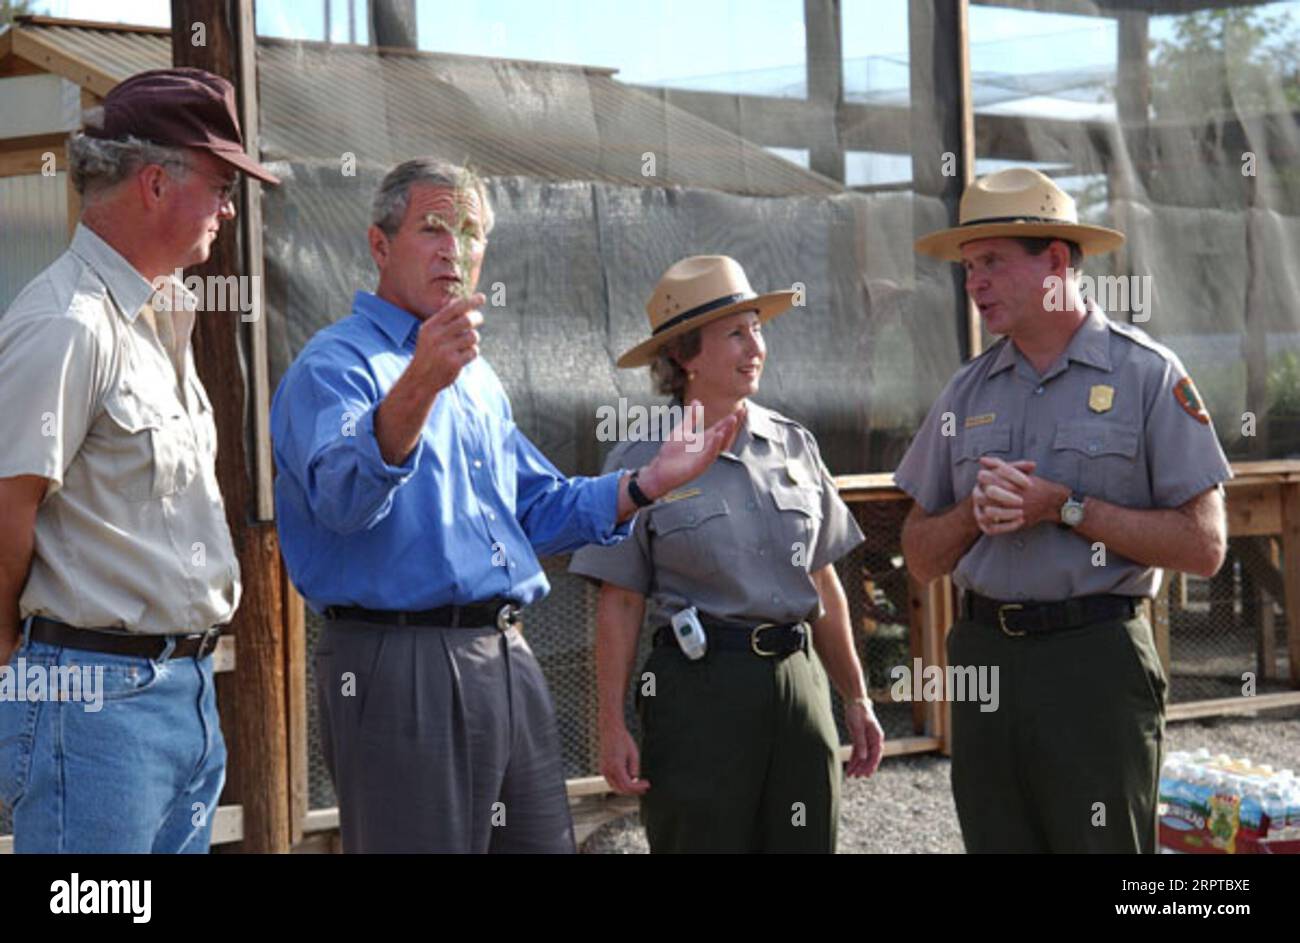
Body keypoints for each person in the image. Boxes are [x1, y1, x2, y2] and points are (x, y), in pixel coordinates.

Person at [271, 159, 736, 853]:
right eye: (433, 228)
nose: (453, 250)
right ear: (378, 244)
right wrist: (420, 384)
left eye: (470, 232)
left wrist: (644, 483)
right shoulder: (335, 365)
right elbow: (342, 499)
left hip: (506, 655)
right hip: (399, 660)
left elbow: (537, 507)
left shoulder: (476, 376)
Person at [896, 167, 1229, 853]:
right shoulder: (964, 392)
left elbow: (1204, 545)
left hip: (1095, 661)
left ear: (1054, 261)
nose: (974, 283)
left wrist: (1066, 506)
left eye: (991, 262)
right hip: (985, 659)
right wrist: (970, 515)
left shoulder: (1147, 375)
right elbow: (921, 558)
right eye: (967, 267)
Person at [0, 68, 281, 853]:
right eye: (223, 186)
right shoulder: (68, 323)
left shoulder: (160, 312)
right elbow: (3, 511)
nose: (230, 208)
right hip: (93, 697)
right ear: (156, 183)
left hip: (171, 695)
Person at [569, 255, 885, 853]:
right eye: (736, 333)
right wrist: (612, 724)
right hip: (698, 691)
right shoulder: (640, 462)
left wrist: (856, 696)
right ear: (686, 356)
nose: (755, 347)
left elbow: (823, 584)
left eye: (758, 328)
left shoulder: (794, 445)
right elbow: (621, 601)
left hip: (799, 686)